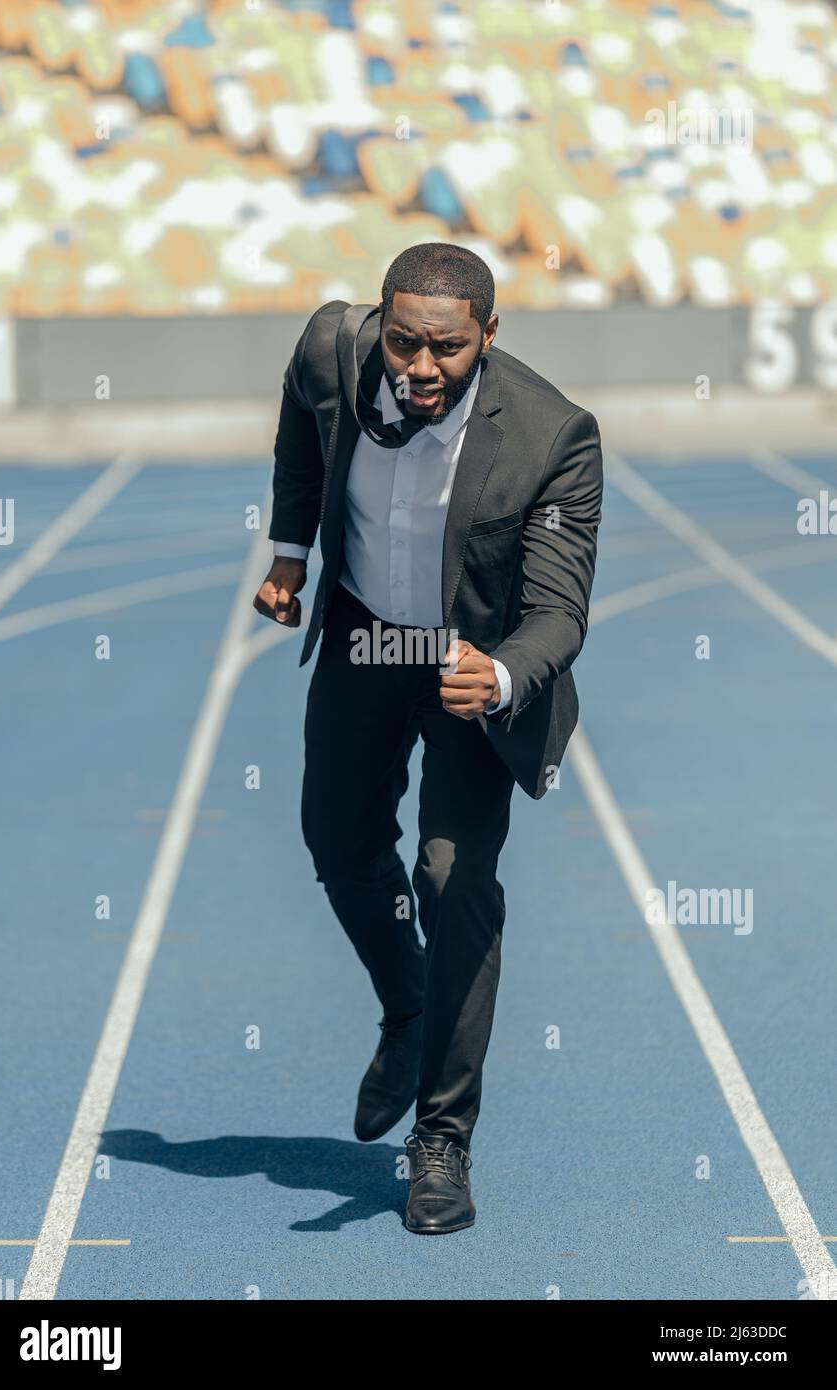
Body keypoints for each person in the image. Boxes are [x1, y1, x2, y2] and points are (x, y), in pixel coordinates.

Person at [253, 242, 603, 1234]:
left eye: (445, 348)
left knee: (454, 878)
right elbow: (298, 423)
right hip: (365, 632)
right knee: (338, 846)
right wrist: (290, 549)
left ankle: (441, 1139)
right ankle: (408, 1006)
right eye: (403, 341)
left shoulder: (551, 436)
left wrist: (497, 673)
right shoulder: (334, 347)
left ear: (488, 336)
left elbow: (559, 608)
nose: (419, 366)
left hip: (469, 666)